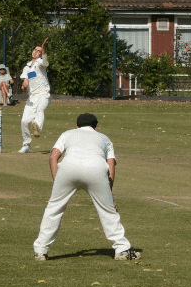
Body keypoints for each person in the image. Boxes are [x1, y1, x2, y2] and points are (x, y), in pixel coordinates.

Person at [32, 112, 141, 262]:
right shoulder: (104, 138)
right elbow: (110, 165)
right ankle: (122, 250)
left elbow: (53, 157)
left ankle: (40, 251)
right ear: (96, 127)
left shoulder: (67, 134)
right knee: (108, 211)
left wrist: (57, 181)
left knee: (54, 208)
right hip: (96, 169)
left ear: (76, 126)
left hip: (68, 169)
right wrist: (109, 195)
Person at [18, 38, 51, 153]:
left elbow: (45, 62)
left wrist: (44, 48)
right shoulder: (27, 67)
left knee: (40, 111)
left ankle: (37, 127)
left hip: (43, 94)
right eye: (35, 50)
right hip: (32, 97)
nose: (36, 52)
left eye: (39, 51)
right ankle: (26, 144)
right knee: (24, 121)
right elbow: (27, 78)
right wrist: (24, 85)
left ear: (41, 54)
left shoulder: (40, 64)